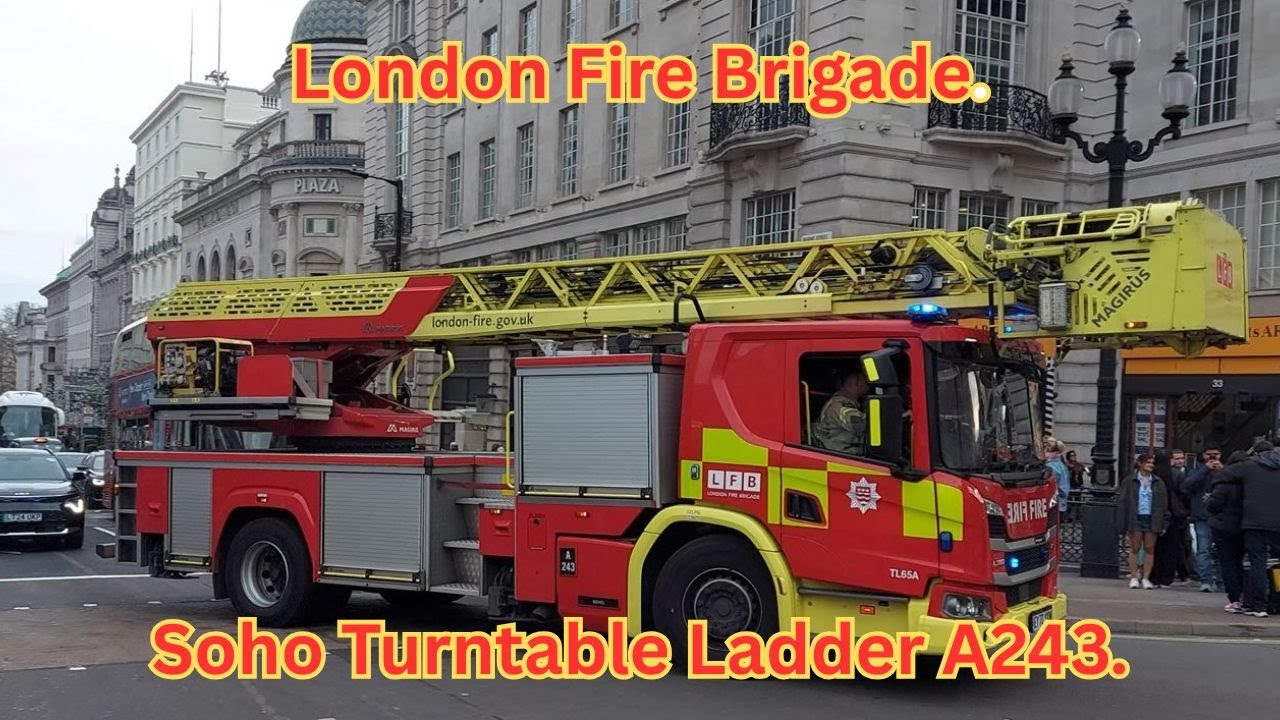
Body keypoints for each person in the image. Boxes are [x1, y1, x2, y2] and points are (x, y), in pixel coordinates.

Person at [1215, 439, 1280, 617]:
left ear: (1256, 453)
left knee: (1257, 563)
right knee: (1278, 563)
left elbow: (1224, 474)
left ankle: (1259, 605)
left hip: (1254, 521)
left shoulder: (1250, 466)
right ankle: (1277, 600)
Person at [1117, 454, 1170, 589]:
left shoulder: (1158, 482)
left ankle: (1146, 578)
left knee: (1149, 549)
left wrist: (1164, 522)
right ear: (1140, 464)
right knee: (1134, 548)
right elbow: (1123, 502)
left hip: (1152, 518)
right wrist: (1122, 523)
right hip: (1135, 517)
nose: (1151, 465)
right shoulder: (1130, 481)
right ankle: (1134, 576)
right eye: (1148, 462)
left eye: (1152, 462)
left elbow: (1164, 504)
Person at [1206, 450, 1247, 613]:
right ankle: (1245, 594)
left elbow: (1213, 505)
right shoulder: (1249, 482)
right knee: (1242, 562)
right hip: (1244, 526)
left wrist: (1208, 501)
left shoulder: (1223, 482)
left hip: (1223, 527)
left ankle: (1234, 598)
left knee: (1228, 563)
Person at [1182, 447, 1223, 592]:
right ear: (1204, 456)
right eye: (1209, 454)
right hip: (1202, 516)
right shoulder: (1197, 471)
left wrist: (1221, 470)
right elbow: (1187, 485)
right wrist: (1205, 470)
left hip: (1220, 517)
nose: (1212, 457)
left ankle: (1220, 581)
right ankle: (1205, 580)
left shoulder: (1225, 470)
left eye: (1215, 454)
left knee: (1221, 550)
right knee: (1203, 549)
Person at [1149, 449, 1190, 587]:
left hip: (1154, 513)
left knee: (1154, 546)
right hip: (1173, 514)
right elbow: (1184, 493)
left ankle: (1154, 575)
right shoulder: (1176, 474)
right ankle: (1167, 576)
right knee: (1172, 547)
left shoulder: (1152, 474)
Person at [812, 367, 869, 456]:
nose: (865, 384)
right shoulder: (837, 405)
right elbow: (860, 424)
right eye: (863, 380)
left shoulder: (849, 403)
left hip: (849, 456)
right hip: (843, 458)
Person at [1044, 438, 1070, 518]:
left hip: (1053, 503)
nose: (1046, 452)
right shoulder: (1061, 465)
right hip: (1060, 503)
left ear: (1056, 452)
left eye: (1048, 450)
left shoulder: (1051, 466)